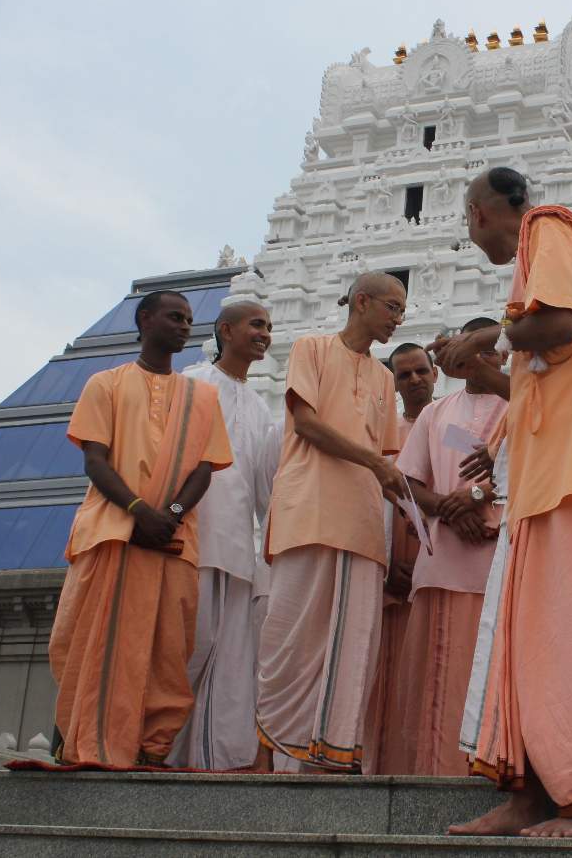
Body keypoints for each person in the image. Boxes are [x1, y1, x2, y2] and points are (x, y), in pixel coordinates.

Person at [431, 168, 572, 837]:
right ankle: (530, 796)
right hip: (545, 479)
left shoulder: (549, 225)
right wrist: (489, 372)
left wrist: (486, 338)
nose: (472, 235)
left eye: (468, 223)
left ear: (480, 214)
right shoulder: (534, 260)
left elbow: (559, 325)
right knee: (528, 642)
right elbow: (545, 372)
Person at [49, 290, 232, 767]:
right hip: (112, 531)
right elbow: (95, 460)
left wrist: (169, 513)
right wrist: (137, 510)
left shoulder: (202, 397)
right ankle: (88, 741)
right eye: (175, 316)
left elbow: (205, 468)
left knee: (167, 650)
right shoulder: (105, 383)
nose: (185, 325)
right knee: (91, 642)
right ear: (145, 319)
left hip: (172, 537)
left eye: (189, 319)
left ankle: (152, 748)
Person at [252, 272, 407, 773]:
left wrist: (424, 504)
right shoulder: (312, 348)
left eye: (403, 311)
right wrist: (376, 463)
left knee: (353, 642)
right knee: (290, 635)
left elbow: (387, 460)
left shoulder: (384, 378)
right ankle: (264, 756)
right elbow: (307, 424)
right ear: (361, 302)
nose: (398, 319)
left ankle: (331, 758)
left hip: (362, 522)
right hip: (309, 509)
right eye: (392, 307)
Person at [394, 317, 507, 776]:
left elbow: (537, 465)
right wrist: (450, 509)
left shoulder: (522, 406)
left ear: (504, 354)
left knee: (492, 672)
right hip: (443, 564)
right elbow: (409, 482)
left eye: (490, 350)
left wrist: (478, 498)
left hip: (502, 561)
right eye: (472, 351)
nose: (481, 360)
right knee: (438, 680)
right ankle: (436, 775)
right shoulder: (435, 414)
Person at [168, 301, 278, 770]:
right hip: (189, 538)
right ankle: (157, 750)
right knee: (186, 650)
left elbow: (264, 488)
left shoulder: (260, 407)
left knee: (231, 662)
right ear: (226, 331)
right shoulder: (192, 382)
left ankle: (214, 764)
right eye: (256, 324)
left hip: (238, 548)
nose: (265, 333)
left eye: (269, 326)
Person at [362, 342, 438, 774]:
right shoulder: (382, 436)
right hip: (389, 571)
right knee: (382, 671)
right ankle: (378, 765)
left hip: (436, 569)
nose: (414, 381)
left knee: (428, 669)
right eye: (404, 375)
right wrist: (386, 562)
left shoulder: (450, 424)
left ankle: (424, 766)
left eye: (421, 371)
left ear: (436, 374)